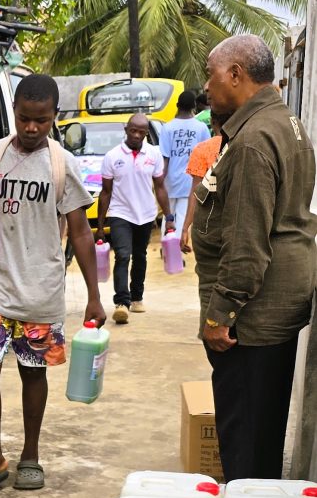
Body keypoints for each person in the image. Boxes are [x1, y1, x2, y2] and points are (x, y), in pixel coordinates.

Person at [0, 73, 105, 498]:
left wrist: (94, 294)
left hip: (41, 290)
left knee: (34, 373)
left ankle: (30, 455)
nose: (32, 128)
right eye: (24, 119)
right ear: (12, 113)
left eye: (42, 120)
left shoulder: (62, 164)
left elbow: (80, 233)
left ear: (55, 117)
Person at [193, 33, 317, 479]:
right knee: (261, 429)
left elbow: (247, 243)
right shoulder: (288, 122)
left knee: (245, 443)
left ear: (235, 74)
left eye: (211, 75)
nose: (206, 87)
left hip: (252, 317)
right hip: (275, 308)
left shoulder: (252, 141)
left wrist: (219, 315)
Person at [95, 113, 174, 325]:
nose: (136, 135)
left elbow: (160, 187)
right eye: (133, 130)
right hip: (121, 213)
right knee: (122, 255)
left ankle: (137, 297)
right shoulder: (112, 156)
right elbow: (105, 192)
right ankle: (122, 303)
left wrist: (169, 217)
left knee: (140, 256)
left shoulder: (153, 155)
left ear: (146, 133)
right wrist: (101, 226)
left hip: (146, 214)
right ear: (126, 130)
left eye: (141, 132)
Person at [160, 90, 211, 236]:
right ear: (194, 106)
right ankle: (177, 252)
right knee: (182, 217)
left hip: (170, 181)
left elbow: (165, 158)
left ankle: (167, 249)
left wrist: (160, 183)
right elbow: (206, 156)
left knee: (167, 216)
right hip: (190, 181)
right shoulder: (201, 127)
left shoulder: (167, 128)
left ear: (177, 105)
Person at [179, 113, 223, 251]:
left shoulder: (202, 149)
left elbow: (196, 192)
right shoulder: (242, 144)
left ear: (212, 121)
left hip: (208, 224)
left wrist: (185, 227)